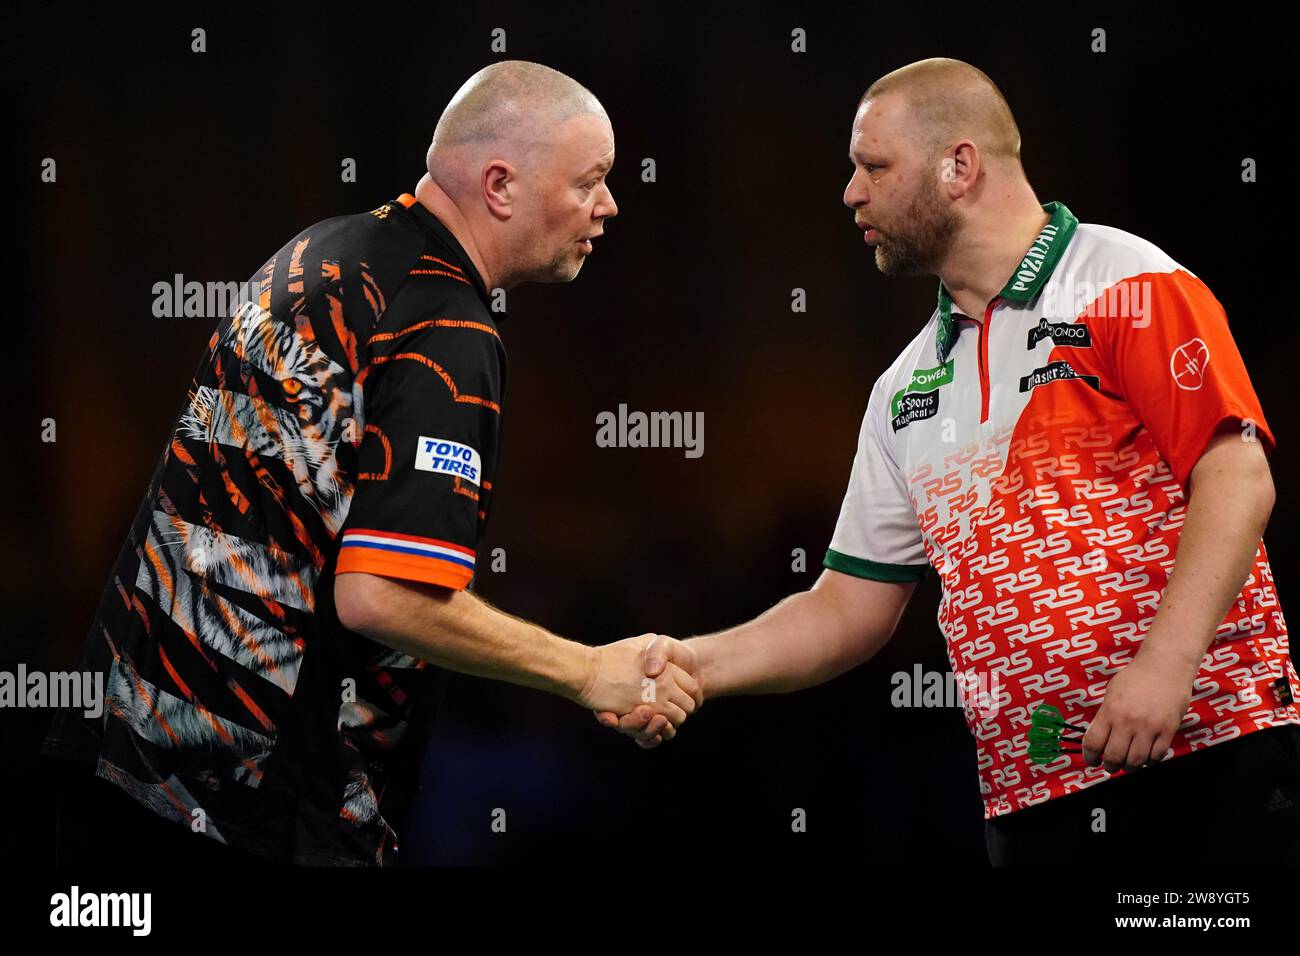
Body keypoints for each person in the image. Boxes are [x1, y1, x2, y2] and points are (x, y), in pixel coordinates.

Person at [598, 57, 1300, 865]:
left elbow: (1238, 477)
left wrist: (1165, 670)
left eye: (873, 167)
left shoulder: (1129, 282)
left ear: (958, 167)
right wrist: (696, 664)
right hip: (1030, 795)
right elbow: (846, 608)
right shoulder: (902, 389)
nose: (850, 193)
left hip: (1209, 750)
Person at [42, 60, 701, 867]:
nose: (609, 205)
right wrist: (587, 670)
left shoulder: (317, 253)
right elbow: (381, 595)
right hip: (251, 809)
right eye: (591, 180)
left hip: (119, 757)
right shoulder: (447, 332)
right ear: (500, 185)